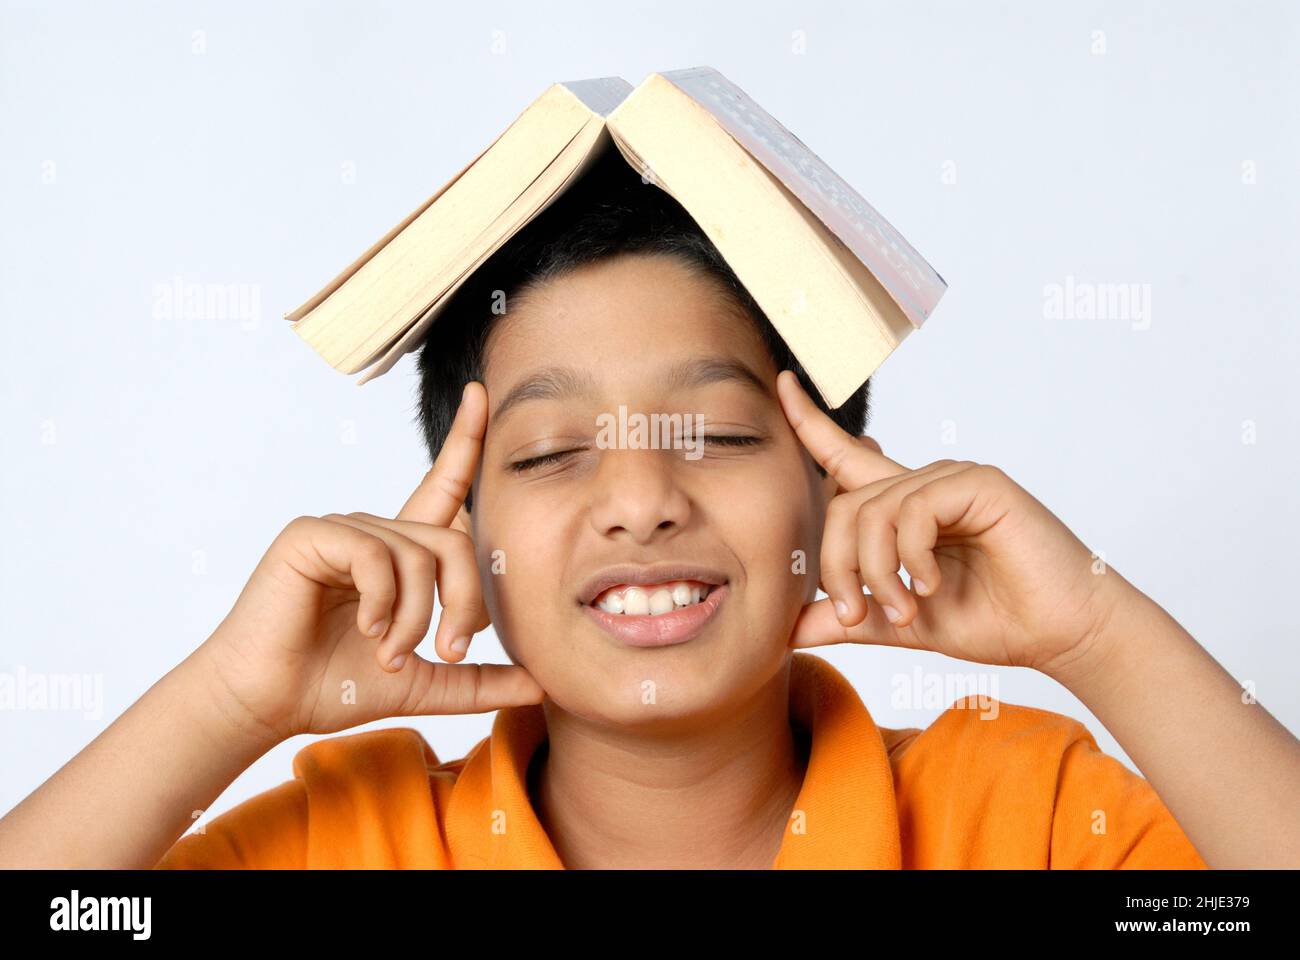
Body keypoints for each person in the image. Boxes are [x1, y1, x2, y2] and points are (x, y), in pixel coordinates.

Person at [3, 148, 1297, 869]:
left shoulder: (1016, 815)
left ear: (840, 486)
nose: (639, 503)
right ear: (459, 540)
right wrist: (227, 704)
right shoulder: (354, 839)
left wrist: (1097, 636)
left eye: (720, 433)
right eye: (554, 452)